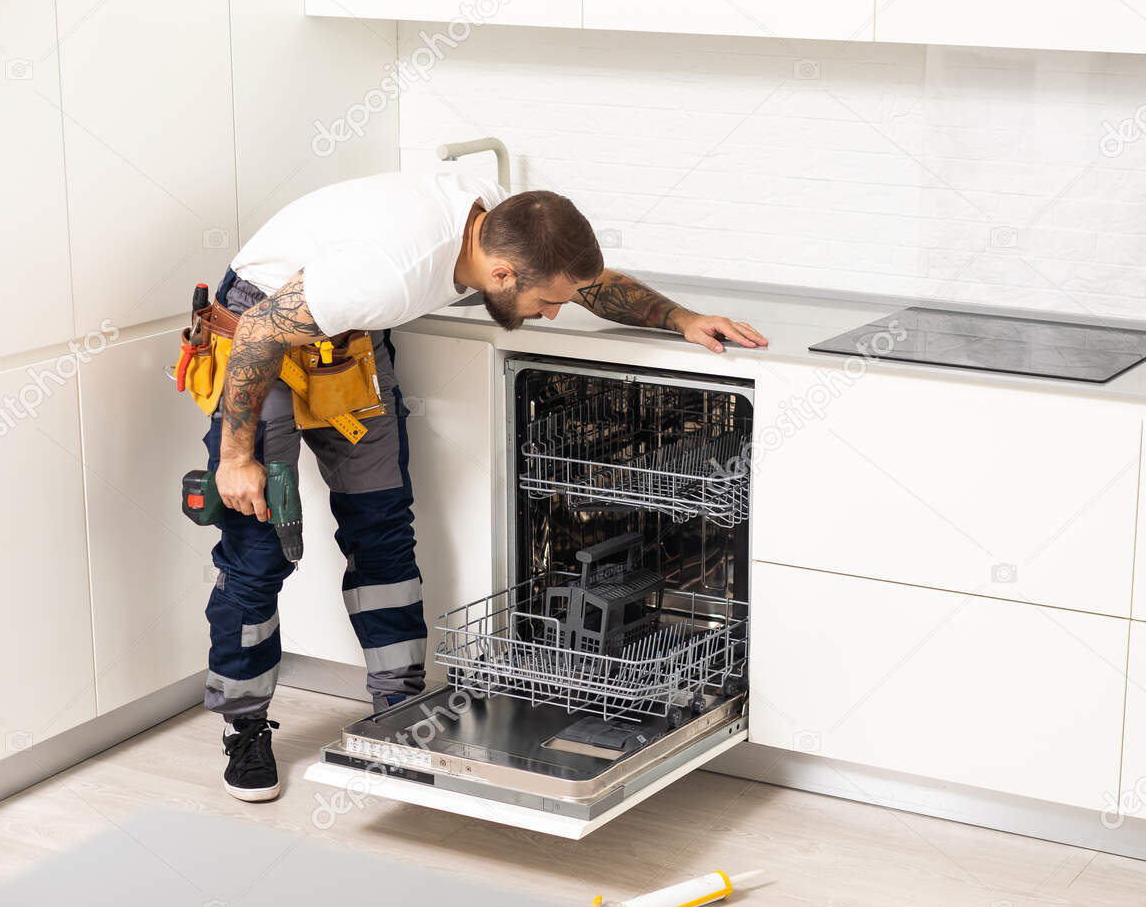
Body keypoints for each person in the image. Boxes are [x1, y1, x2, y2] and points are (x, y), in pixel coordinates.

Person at [202, 167, 767, 801]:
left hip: (347, 338)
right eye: (544, 302)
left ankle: (398, 710)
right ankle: (244, 725)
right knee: (259, 550)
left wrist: (681, 317)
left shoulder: (508, 227)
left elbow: (591, 287)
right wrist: (235, 457)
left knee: (382, 532)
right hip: (258, 333)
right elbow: (259, 334)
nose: (554, 312)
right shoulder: (389, 269)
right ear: (500, 275)